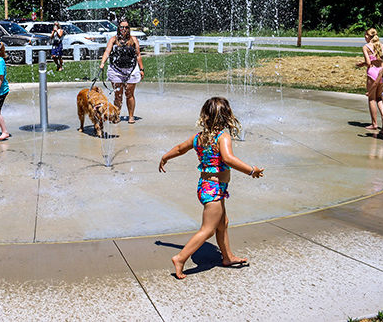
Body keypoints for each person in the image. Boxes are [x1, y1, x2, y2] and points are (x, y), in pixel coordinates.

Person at [158, 97, 264, 279]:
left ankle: (227, 257)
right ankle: (181, 258)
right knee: (207, 229)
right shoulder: (223, 137)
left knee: (222, 223)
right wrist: (251, 170)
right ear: (226, 116)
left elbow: (179, 148)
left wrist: (165, 157)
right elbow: (228, 159)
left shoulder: (198, 137)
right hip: (214, 188)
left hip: (208, 186)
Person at [99, 19, 144, 124]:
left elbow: (138, 55)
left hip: (131, 70)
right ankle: (117, 115)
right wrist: (102, 63)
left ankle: (131, 116)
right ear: (118, 28)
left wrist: (141, 69)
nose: (124, 29)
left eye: (126, 27)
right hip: (116, 70)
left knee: (130, 94)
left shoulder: (133, 39)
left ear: (129, 29)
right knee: (118, 95)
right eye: (122, 27)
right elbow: (107, 52)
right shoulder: (113, 40)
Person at [356, 28, 383, 130]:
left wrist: (361, 64)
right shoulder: (382, 46)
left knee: (372, 98)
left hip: (373, 72)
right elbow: (382, 60)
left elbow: (368, 63)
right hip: (382, 72)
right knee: (379, 98)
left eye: (365, 35)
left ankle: (374, 123)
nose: (365, 37)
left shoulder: (366, 47)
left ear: (369, 36)